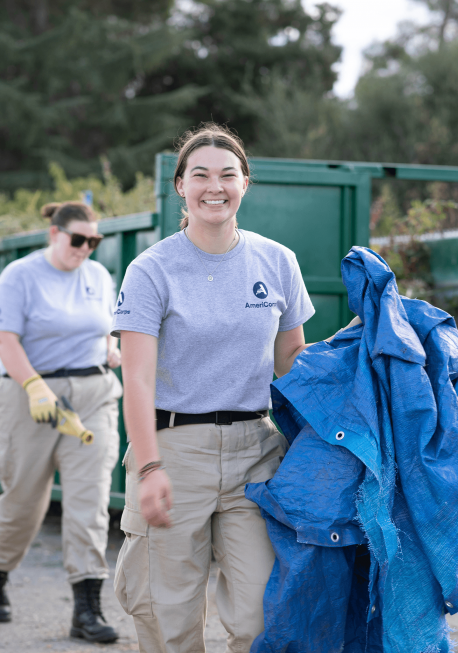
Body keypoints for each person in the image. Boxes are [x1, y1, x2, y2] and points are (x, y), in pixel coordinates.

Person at [111, 124, 315, 653]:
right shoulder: (151, 270)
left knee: (260, 617)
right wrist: (150, 467)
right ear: (180, 185)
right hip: (175, 451)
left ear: (246, 183)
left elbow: (292, 360)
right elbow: (135, 377)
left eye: (228, 174)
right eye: (200, 175)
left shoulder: (277, 262)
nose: (214, 186)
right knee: (169, 621)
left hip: (256, 450)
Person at [0, 201, 123, 644]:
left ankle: (87, 608)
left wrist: (113, 354)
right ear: (54, 234)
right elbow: (5, 340)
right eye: (78, 239)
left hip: (93, 398)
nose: (85, 248)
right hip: (29, 398)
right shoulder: (20, 276)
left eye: (93, 241)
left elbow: (105, 332)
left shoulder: (98, 276)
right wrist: (35, 387)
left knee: (90, 502)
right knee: (23, 503)